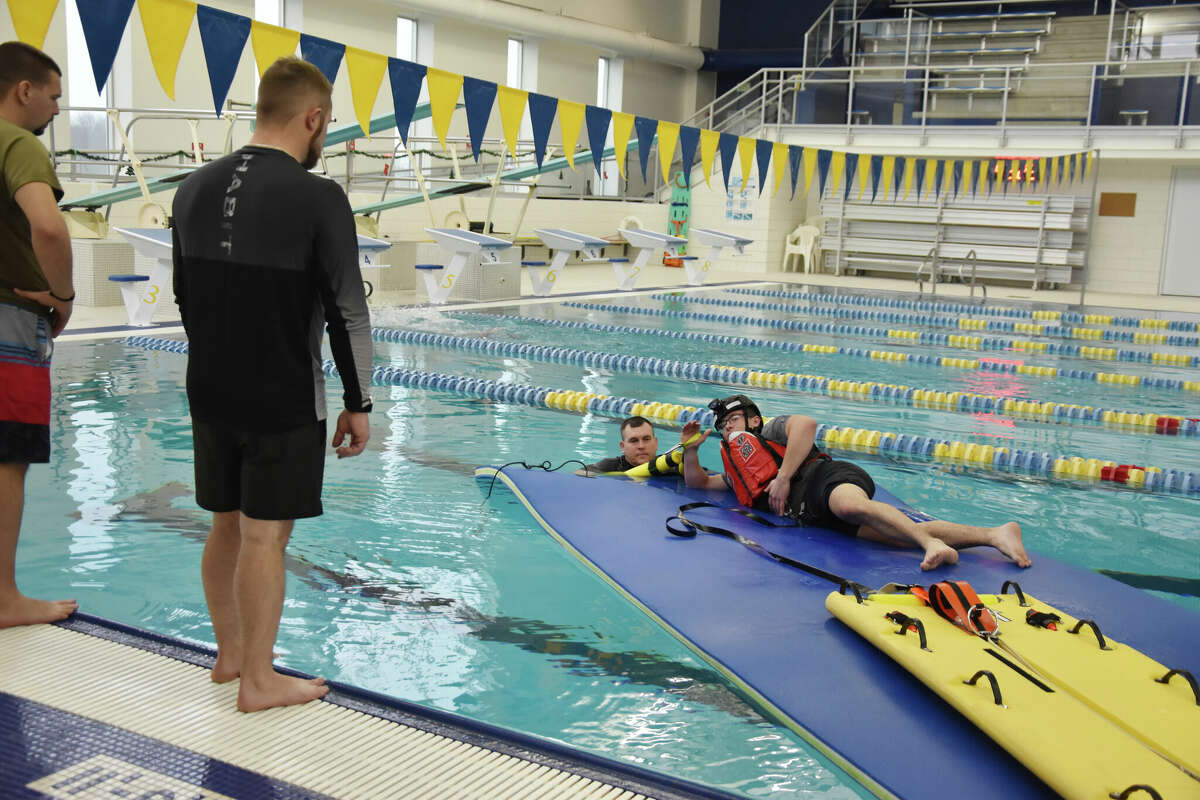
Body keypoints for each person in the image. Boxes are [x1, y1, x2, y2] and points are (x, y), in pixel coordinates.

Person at [172, 57, 374, 712]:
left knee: (222, 525)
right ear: (312, 117)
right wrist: (358, 401)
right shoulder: (320, 198)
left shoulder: (192, 187)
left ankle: (229, 656)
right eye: (328, 124)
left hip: (209, 388)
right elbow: (347, 310)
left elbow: (183, 294)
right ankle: (259, 680)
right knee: (265, 536)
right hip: (282, 395)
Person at [679, 394, 1031, 571]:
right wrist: (690, 450)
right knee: (896, 535)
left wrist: (784, 477)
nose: (729, 429)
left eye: (735, 420)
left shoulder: (769, 431)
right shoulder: (738, 470)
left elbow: (807, 424)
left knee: (852, 506)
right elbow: (699, 484)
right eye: (724, 426)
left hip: (827, 480)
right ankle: (993, 534)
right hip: (815, 514)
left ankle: (930, 544)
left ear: (753, 420)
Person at [0, 41, 78, 629]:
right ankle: (5, 599)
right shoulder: (18, 143)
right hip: (8, 321)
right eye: (53, 96)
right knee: (8, 460)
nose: (55, 109)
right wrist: (64, 297)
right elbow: (48, 227)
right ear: (24, 90)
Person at [579, 416, 660, 474]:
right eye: (634, 441)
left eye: (646, 439)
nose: (641, 446)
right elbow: (577, 477)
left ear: (656, 443)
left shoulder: (667, 465)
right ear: (623, 447)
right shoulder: (609, 467)